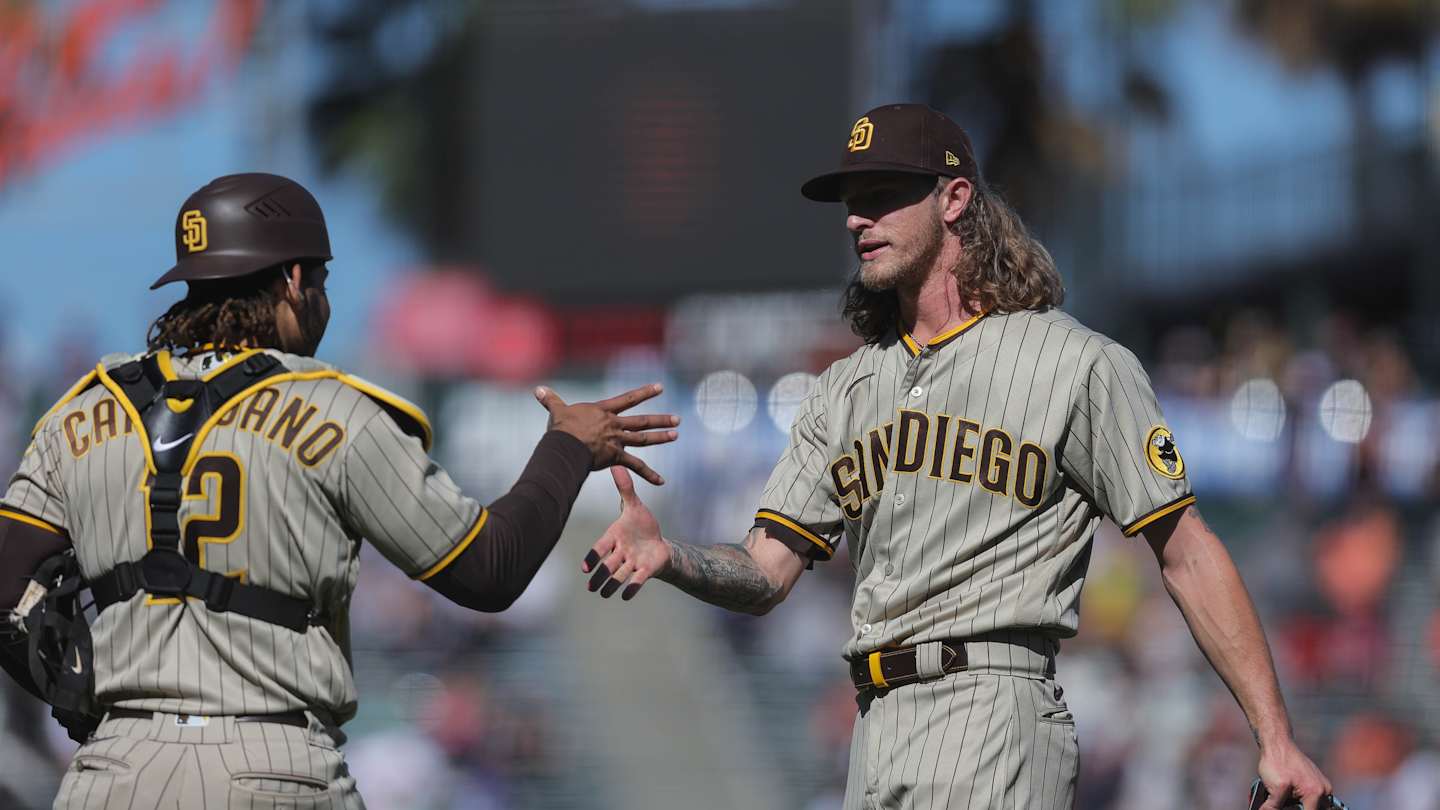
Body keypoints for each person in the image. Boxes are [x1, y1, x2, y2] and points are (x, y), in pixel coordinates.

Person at [579, 104, 1334, 810]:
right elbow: (766, 571)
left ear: (953, 199)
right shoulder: (842, 391)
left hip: (995, 705)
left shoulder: (1075, 364)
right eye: (851, 199)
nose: (857, 217)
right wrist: (669, 554)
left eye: (883, 194)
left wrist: (1275, 738)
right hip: (874, 728)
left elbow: (1187, 551)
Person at [0, 172, 679, 808]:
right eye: (320, 278)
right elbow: (490, 570)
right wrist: (567, 446)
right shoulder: (335, 411)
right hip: (272, 764)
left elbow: (4, 587)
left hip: (114, 774)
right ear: (294, 281)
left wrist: (74, 692)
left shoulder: (80, 412)